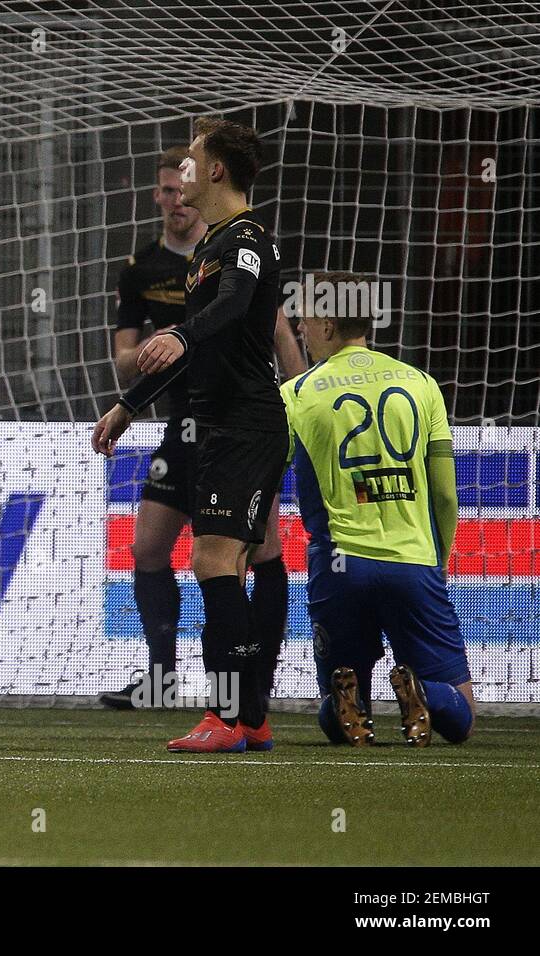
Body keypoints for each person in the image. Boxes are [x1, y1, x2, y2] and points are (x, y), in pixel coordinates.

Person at [93, 117, 288, 753]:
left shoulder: (249, 237)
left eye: (192, 160)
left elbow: (233, 302)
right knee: (226, 559)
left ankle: (229, 716)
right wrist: (129, 404)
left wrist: (181, 331)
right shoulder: (209, 247)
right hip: (217, 423)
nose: (181, 172)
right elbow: (198, 344)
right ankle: (248, 716)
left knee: (215, 558)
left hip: (246, 423)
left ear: (216, 172)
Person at [281, 271, 473, 747]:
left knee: (343, 710)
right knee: (462, 715)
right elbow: (445, 495)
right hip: (412, 562)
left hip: (338, 569)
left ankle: (351, 704)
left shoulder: (296, 395)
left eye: (304, 319)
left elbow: (263, 482)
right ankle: (425, 692)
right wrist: (437, 560)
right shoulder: (421, 384)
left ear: (327, 325)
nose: (300, 329)